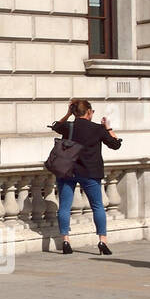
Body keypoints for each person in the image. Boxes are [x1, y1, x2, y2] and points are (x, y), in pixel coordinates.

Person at [48, 98, 120, 255]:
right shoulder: (97, 129)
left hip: (67, 171)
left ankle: (66, 241)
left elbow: (56, 126)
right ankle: (102, 241)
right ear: (88, 112)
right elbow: (116, 144)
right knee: (97, 206)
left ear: (74, 112)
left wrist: (68, 114)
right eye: (92, 111)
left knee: (64, 207)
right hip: (90, 173)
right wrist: (108, 128)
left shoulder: (68, 127)